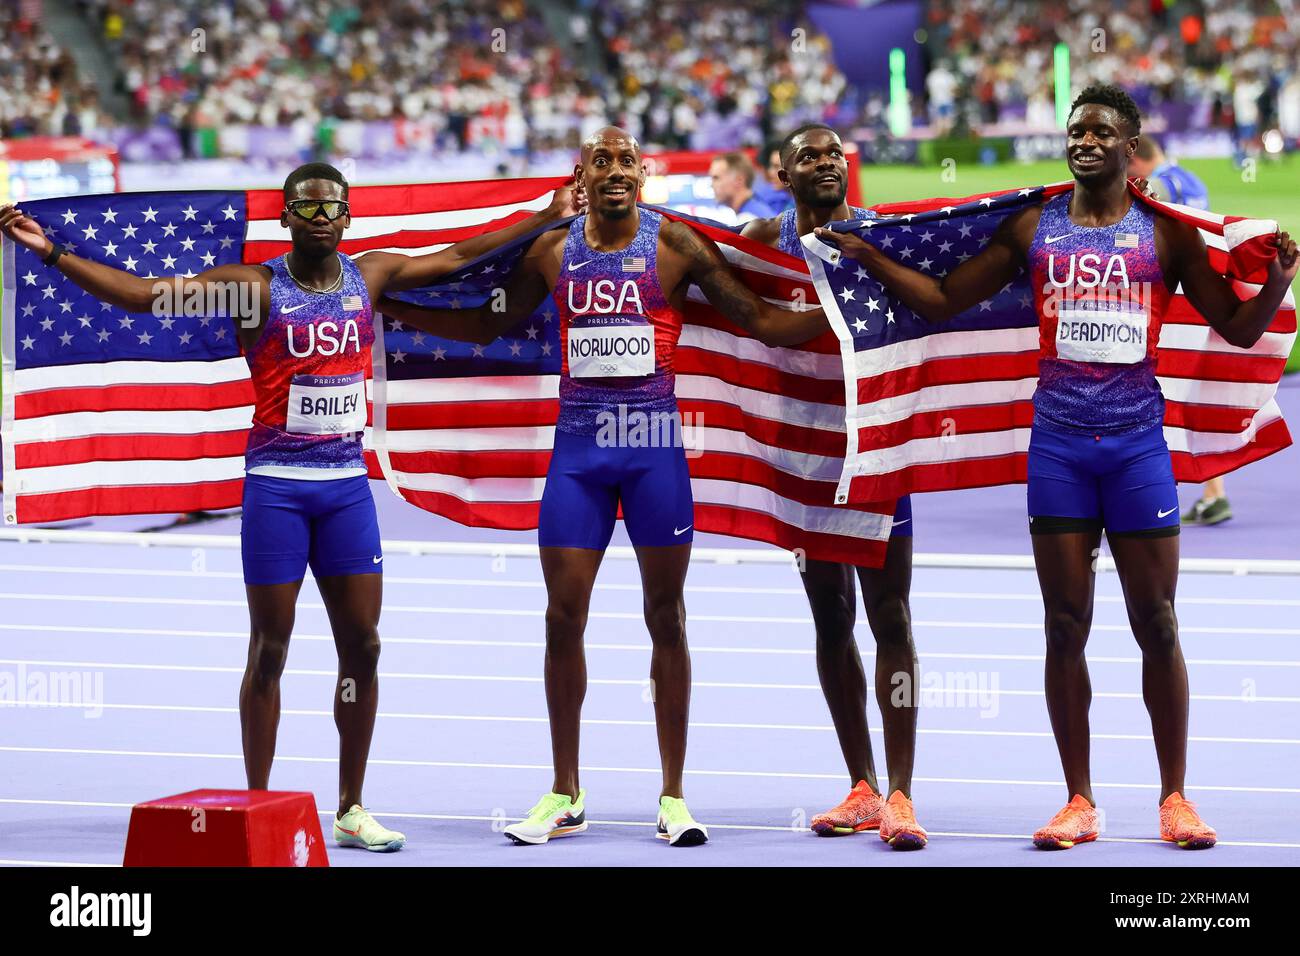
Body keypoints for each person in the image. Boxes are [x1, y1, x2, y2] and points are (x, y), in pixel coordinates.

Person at [0, 163, 583, 852]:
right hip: (276, 486)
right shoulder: (253, 289)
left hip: (343, 491)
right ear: (286, 218)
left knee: (362, 647)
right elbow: (148, 295)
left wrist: (548, 213)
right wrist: (54, 251)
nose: (319, 217)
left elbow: (460, 256)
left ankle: (351, 806)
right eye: (306, 208)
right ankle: (255, 806)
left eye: (331, 207)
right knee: (270, 650)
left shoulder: (372, 276)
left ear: (346, 216)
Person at [816, 84, 1298, 850]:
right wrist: (871, 255)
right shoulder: (1034, 227)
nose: (1084, 140)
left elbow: (1237, 330)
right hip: (1061, 448)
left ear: (1129, 146)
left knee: (1158, 624)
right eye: (1076, 130)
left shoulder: (1164, 237)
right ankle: (1079, 800)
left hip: (1138, 445)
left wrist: (1277, 279)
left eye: (1101, 131)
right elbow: (943, 301)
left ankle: (1174, 799)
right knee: (1065, 625)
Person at [379, 126, 829, 848]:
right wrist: (395, 309)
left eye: (626, 161)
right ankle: (565, 792)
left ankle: (674, 795)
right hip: (580, 449)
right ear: (580, 177)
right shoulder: (553, 249)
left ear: (643, 175)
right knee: (562, 616)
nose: (614, 171)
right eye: (600, 162)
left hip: (651, 445)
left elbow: (761, 320)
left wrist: (840, 321)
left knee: (667, 615)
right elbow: (488, 322)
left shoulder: (678, 247)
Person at [742, 122, 926, 850]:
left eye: (832, 153)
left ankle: (903, 794)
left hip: (876, 449)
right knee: (829, 619)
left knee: (893, 618)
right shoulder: (761, 237)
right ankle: (861, 785)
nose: (824, 162)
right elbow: (687, 262)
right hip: (805, 456)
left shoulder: (881, 236)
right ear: (783, 175)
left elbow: (974, 260)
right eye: (807, 156)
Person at [1128, 135, 1232, 526]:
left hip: (1174, 303)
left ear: (1138, 159)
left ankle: (1152, 499)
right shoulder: (1193, 180)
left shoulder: (1165, 183)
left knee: (1159, 396)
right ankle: (1213, 492)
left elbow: (1152, 209)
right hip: (1201, 298)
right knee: (1187, 396)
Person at [709, 151, 777, 223]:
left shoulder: (748, 219)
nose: (711, 185)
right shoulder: (757, 211)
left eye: (716, 178)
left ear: (739, 180)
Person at [753, 138, 795, 214]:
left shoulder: (808, 206)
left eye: (776, 166)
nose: (770, 172)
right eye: (771, 166)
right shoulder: (785, 203)